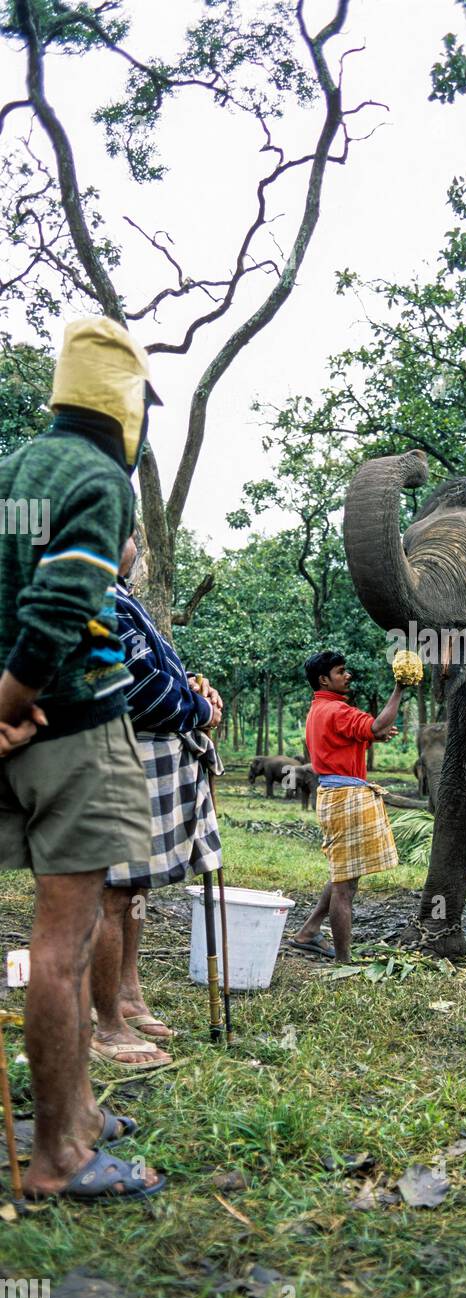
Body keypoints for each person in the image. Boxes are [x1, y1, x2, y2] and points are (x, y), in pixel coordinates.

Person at [0, 317, 165, 1200]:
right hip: (70, 733)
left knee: (48, 942)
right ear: (125, 404)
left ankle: (78, 1111)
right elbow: (64, 595)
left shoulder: (13, 469)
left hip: (19, 737)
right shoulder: (102, 478)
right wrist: (13, 698)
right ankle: (60, 1155)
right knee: (63, 946)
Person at [90, 529, 223, 1069]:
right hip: (117, 759)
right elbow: (138, 691)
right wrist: (199, 711)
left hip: (144, 759)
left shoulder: (121, 596)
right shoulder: (93, 596)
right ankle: (105, 1024)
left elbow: (154, 672)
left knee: (133, 885)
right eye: (129, 536)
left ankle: (126, 993)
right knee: (113, 891)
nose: (135, 547)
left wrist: (190, 684)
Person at [293, 651, 402, 963]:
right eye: (341, 672)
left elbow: (368, 733)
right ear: (324, 679)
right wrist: (400, 688)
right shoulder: (338, 710)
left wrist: (376, 734)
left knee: (344, 872)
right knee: (346, 887)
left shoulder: (319, 709)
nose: (347, 675)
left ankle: (309, 931)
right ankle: (343, 960)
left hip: (333, 793)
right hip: (346, 798)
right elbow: (378, 725)